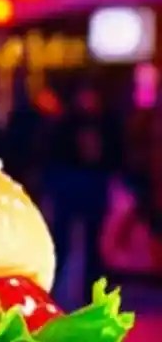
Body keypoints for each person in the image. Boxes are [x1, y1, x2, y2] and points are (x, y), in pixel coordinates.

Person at [46, 86, 124, 306]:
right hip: (70, 182)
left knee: (94, 245)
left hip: (94, 183)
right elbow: (53, 154)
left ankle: (94, 297)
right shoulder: (66, 125)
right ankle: (49, 294)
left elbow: (116, 152)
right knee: (61, 242)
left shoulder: (107, 124)